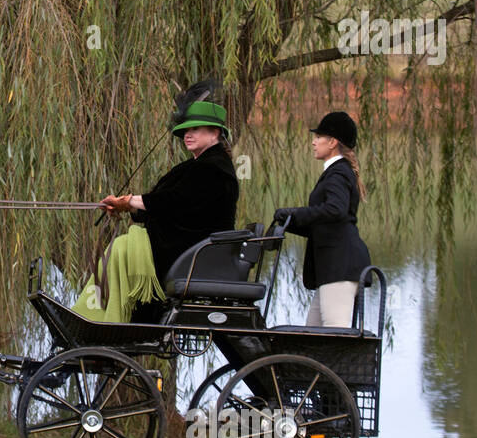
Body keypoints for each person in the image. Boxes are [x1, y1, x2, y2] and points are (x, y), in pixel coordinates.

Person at [72, 100, 239, 323]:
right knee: (120, 247)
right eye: (186, 130)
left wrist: (128, 202)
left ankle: (105, 320)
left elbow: (172, 201)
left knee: (121, 249)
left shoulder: (213, 168)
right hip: (183, 245)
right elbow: (170, 206)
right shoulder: (201, 165)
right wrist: (128, 206)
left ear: (215, 132)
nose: (188, 134)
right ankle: (96, 316)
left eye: (195, 129)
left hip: (190, 250)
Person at [273, 111, 372, 328]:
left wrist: (294, 213)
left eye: (318, 137)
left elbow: (334, 210)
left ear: (333, 142)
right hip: (333, 267)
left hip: (340, 265)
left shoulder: (337, 173)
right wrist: (290, 223)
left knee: (334, 334)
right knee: (314, 333)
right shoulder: (339, 172)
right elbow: (326, 221)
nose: (313, 142)